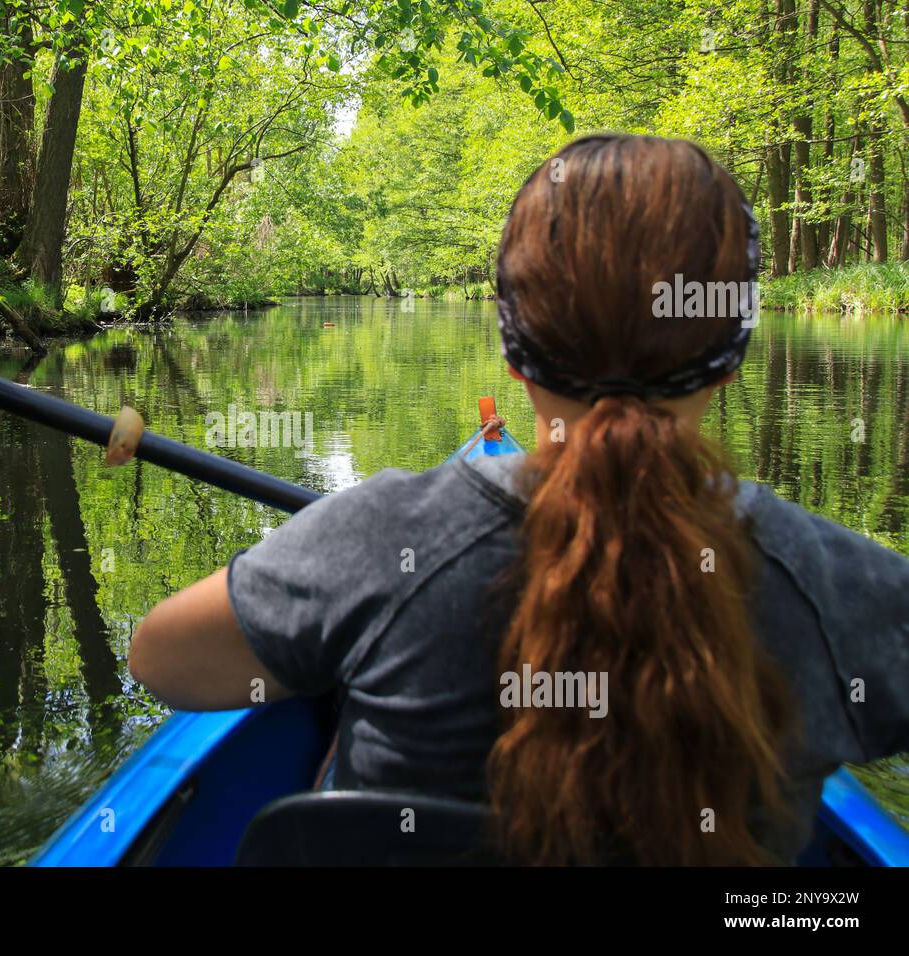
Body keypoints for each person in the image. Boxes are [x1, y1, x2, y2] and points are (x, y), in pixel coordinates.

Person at [128, 134, 909, 865]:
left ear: (511, 349)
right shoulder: (844, 589)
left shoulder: (380, 540)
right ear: (731, 358)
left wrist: (335, 628)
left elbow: (160, 660)